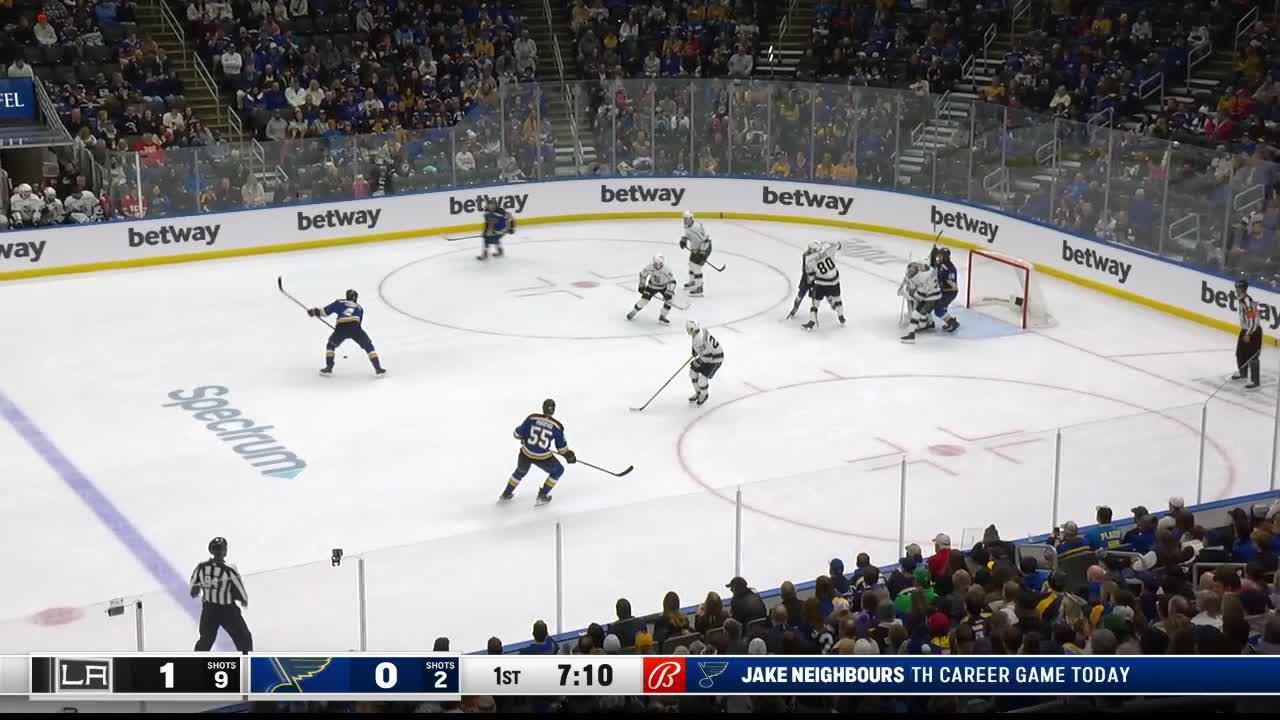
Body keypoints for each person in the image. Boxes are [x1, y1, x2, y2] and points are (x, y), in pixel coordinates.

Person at [501, 398, 576, 505]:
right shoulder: (556, 426)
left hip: (526, 454)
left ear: (543, 408)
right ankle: (542, 496)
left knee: (520, 472)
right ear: (553, 410)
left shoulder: (531, 418)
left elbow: (516, 434)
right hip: (543, 458)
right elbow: (562, 449)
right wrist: (569, 456)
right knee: (558, 470)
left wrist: (525, 437)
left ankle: (505, 495)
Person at [190, 537, 253, 651]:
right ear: (212, 551)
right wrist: (242, 598)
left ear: (225, 551)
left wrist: (242, 598)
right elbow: (193, 587)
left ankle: (246, 664)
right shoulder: (204, 568)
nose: (219, 551)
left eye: (221, 549)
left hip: (223, 609)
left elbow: (237, 585)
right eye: (217, 548)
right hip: (215, 609)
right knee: (207, 639)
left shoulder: (224, 568)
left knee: (243, 638)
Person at [307, 289, 386, 377]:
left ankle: (328, 368)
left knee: (331, 345)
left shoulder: (340, 302)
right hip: (355, 328)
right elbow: (358, 322)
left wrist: (314, 312)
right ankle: (378, 368)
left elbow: (324, 312)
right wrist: (350, 330)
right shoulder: (359, 308)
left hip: (341, 328)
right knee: (368, 346)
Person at [800, 242, 846, 330]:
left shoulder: (809, 261)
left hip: (822, 283)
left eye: (810, 249)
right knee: (837, 298)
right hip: (835, 281)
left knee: (815, 302)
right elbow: (838, 245)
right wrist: (838, 245)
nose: (809, 251)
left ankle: (811, 322)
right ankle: (841, 317)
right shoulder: (828, 251)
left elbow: (811, 277)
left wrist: (810, 284)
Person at [627, 254, 675, 324]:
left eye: (659, 264)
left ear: (662, 263)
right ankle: (634, 311)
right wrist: (642, 285)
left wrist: (669, 292)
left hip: (664, 287)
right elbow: (643, 275)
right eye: (655, 264)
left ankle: (662, 316)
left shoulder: (667, 270)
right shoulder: (649, 267)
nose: (657, 266)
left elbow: (672, 281)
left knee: (670, 300)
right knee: (644, 301)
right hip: (651, 286)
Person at [900, 260, 941, 343]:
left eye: (920, 266)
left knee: (916, 314)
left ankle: (912, 335)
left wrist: (911, 291)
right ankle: (917, 331)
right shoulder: (931, 270)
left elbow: (921, 295)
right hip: (935, 296)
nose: (919, 267)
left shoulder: (924, 278)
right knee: (920, 313)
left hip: (930, 299)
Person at [1232, 278, 1263, 388]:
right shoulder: (1241, 300)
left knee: (1253, 356)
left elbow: (1253, 319)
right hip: (1246, 330)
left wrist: (1249, 334)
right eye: (1236, 288)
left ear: (1244, 289)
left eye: (1238, 288)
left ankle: (1255, 380)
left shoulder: (1247, 301)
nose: (1236, 290)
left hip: (1253, 331)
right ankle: (1243, 373)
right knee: (1240, 353)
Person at [686, 320, 723, 406]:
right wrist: (696, 351)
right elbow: (704, 347)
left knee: (702, 379)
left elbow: (707, 356)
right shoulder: (700, 331)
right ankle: (698, 392)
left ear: (691, 329)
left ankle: (704, 395)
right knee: (693, 373)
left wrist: (698, 361)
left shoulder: (698, 339)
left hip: (716, 359)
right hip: (710, 356)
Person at [679, 211, 712, 296]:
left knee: (696, 267)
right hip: (696, 249)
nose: (685, 220)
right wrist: (684, 240)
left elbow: (705, 240)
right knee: (691, 264)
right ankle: (693, 281)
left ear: (691, 219)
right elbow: (687, 234)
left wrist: (702, 252)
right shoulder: (687, 226)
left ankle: (699, 288)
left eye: (687, 219)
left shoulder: (696, 227)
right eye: (684, 219)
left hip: (704, 248)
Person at [930, 246, 960, 332]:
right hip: (947, 292)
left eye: (940, 256)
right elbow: (935, 266)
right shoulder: (944, 264)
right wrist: (933, 255)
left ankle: (952, 323)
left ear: (945, 257)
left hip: (949, 293)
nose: (938, 257)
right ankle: (950, 321)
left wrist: (941, 288)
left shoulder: (948, 268)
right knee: (942, 308)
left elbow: (952, 286)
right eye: (938, 255)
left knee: (938, 310)